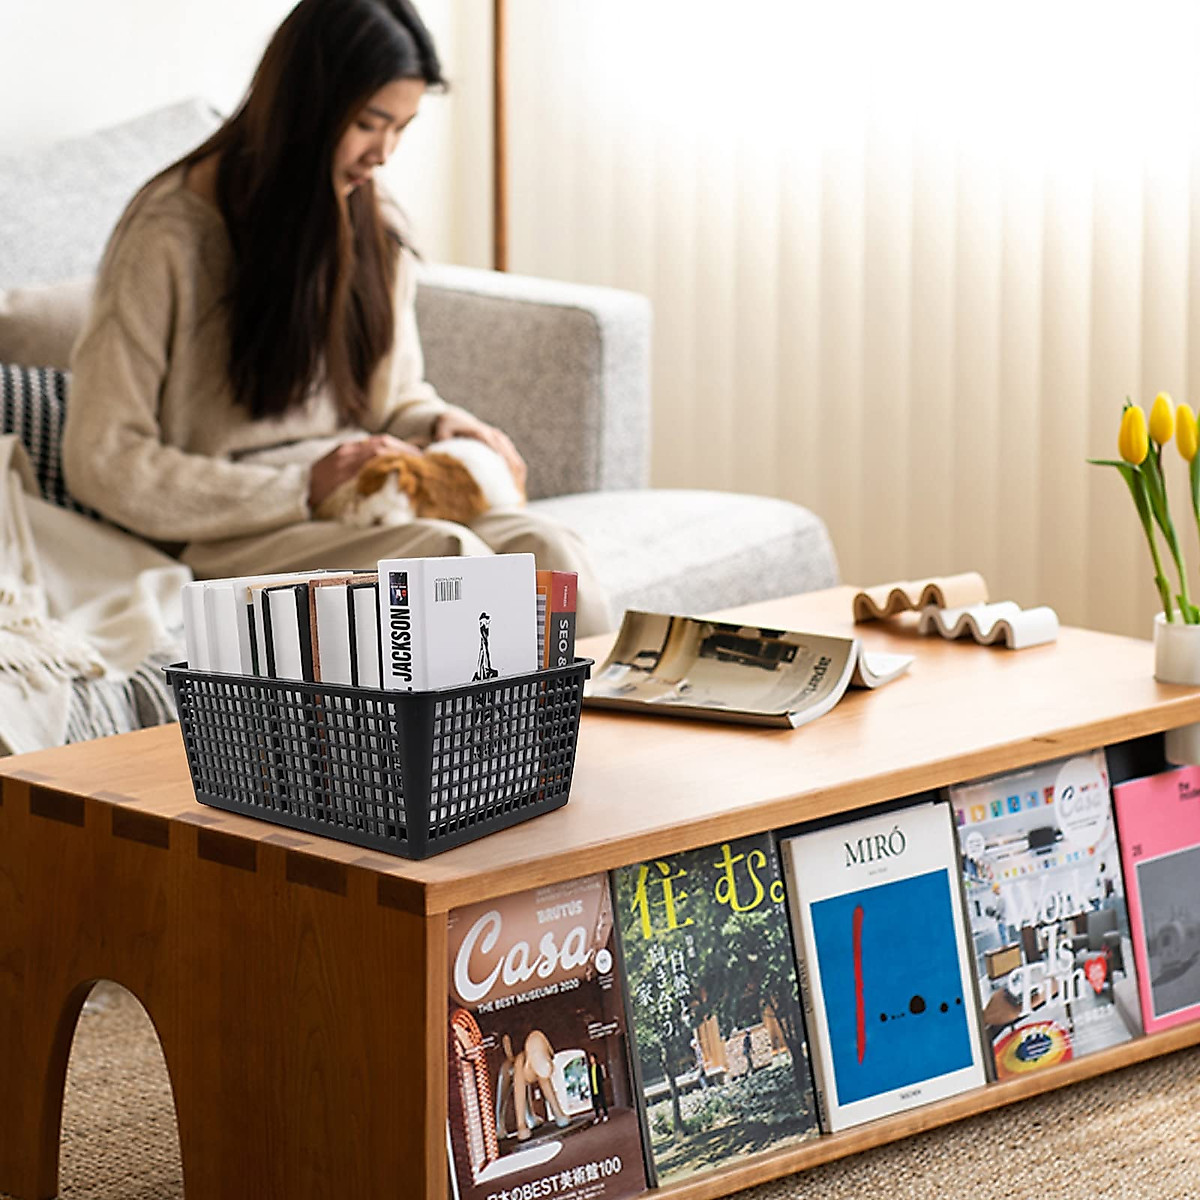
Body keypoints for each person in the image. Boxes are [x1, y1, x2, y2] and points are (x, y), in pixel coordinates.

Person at [62, 0, 611, 636]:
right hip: (236, 530)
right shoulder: (168, 236)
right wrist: (302, 487)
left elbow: (389, 402)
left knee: (553, 557)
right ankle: (488, 738)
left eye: (401, 128)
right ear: (305, 108)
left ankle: (585, 737)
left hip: (369, 503)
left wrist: (437, 422)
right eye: (370, 123)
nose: (384, 153)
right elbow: (102, 457)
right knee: (449, 562)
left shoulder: (375, 223)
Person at [587, 1051, 609, 1124]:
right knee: (595, 1103)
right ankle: (597, 1116)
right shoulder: (590, 1068)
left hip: (599, 1087)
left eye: (592, 1058)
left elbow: (601, 1076)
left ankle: (605, 1114)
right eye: (590, 1059)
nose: (591, 1060)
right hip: (593, 1088)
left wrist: (601, 1081)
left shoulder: (598, 1067)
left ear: (595, 1059)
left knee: (602, 1101)